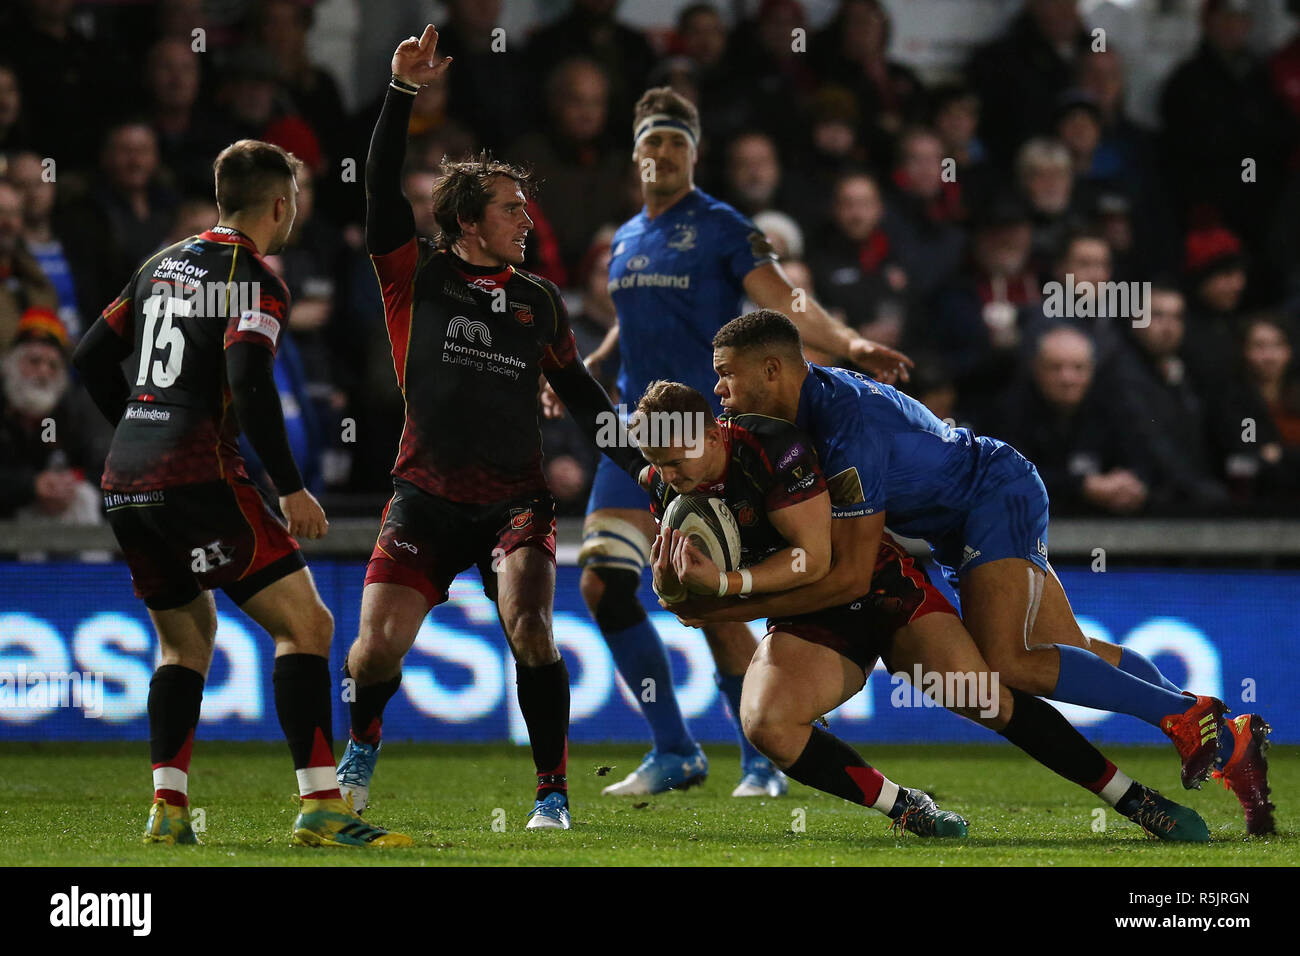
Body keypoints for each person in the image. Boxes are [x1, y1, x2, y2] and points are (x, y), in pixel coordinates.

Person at [683, 310, 1274, 835]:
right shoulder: (806, 415)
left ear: (770, 370)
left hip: (991, 496)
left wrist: (719, 606)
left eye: (726, 373)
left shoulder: (845, 427)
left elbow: (852, 577)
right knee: (1067, 648)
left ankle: (1191, 720)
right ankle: (1225, 731)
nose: (719, 388)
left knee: (1008, 663)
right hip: (964, 516)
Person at [543, 85, 910, 798]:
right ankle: (675, 748)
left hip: (707, 440)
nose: (663, 152)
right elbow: (632, 324)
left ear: (694, 153)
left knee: (709, 601)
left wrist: (847, 341)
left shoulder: (719, 227)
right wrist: (585, 371)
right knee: (603, 586)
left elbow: (783, 300)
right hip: (637, 437)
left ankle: (761, 755)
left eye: (677, 141)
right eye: (653, 139)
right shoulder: (624, 239)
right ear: (636, 152)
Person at [334, 27, 647, 832]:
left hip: (516, 500)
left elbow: (579, 393)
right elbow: (376, 191)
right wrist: (402, 91)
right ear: (469, 220)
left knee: (533, 629)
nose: (526, 218)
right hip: (424, 498)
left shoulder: (538, 300)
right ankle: (362, 745)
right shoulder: (416, 275)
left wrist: (643, 465)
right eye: (511, 207)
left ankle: (551, 793)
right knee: (371, 654)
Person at [71, 139, 410, 848]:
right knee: (307, 627)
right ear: (280, 204)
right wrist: (290, 488)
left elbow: (89, 358)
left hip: (126, 480)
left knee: (184, 642)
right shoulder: (253, 278)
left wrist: (139, 423)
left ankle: (167, 808)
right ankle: (321, 805)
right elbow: (251, 384)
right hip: (196, 473)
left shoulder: (161, 263)